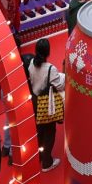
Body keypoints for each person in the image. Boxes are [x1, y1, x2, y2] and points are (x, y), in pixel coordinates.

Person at [24, 38, 64, 171]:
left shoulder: (31, 64)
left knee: (39, 130)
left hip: (34, 100)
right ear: (48, 51)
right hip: (46, 103)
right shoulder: (50, 68)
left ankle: (39, 156)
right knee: (50, 131)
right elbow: (58, 85)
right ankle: (47, 162)